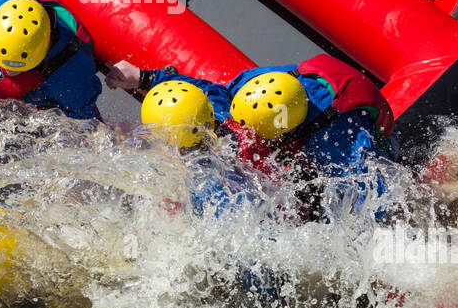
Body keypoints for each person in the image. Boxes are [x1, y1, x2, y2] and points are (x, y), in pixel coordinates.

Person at [110, 52, 396, 208]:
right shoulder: (247, 90)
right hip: (308, 100)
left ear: (285, 132)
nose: (247, 136)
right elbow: (209, 91)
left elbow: (373, 196)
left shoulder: (338, 143)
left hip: (365, 130)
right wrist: (147, 77)